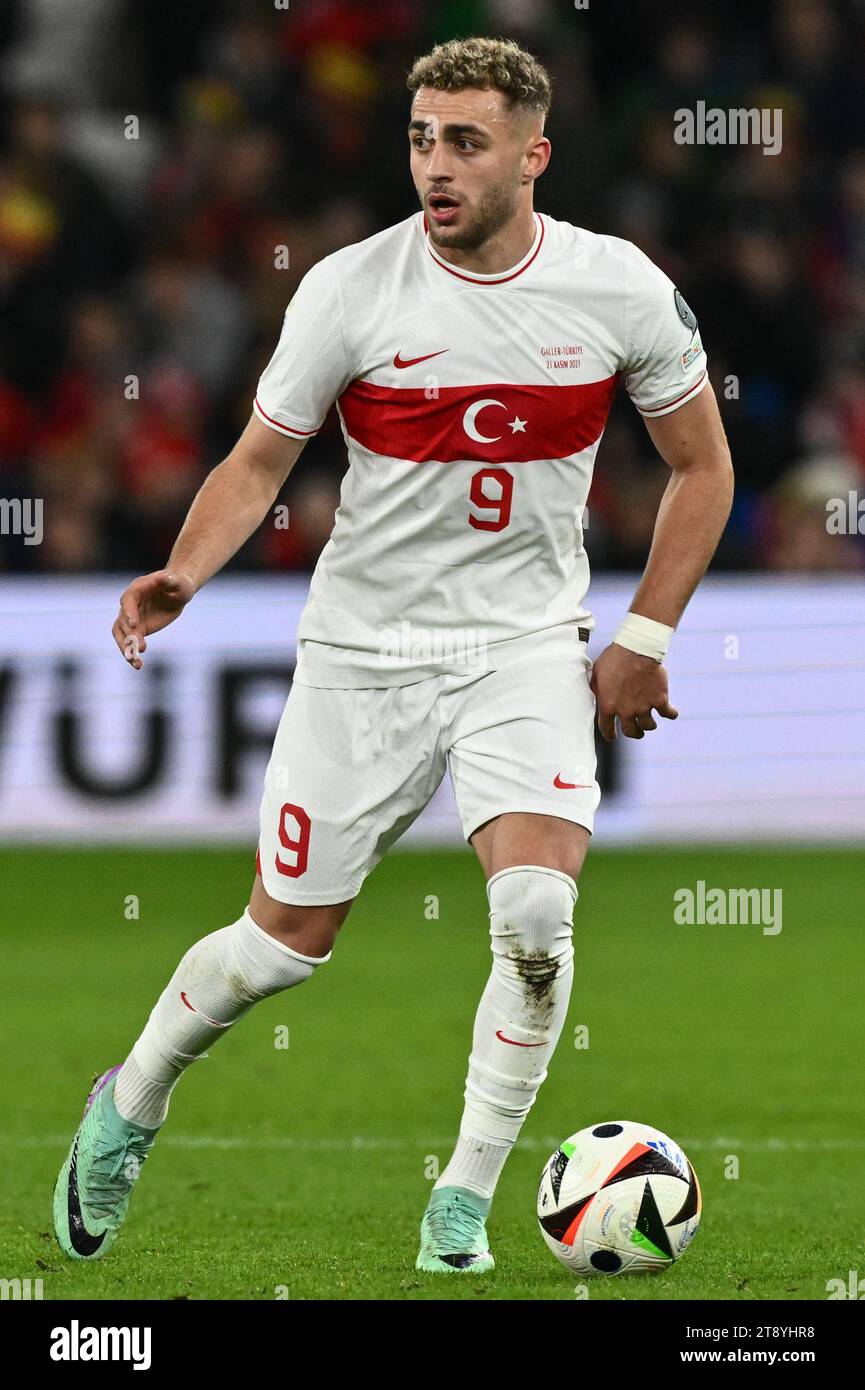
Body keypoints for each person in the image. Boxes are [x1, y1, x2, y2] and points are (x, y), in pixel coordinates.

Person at [53, 36, 733, 1273]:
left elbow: (702, 464)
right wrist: (185, 571)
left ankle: (461, 1202)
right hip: (362, 651)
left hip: (523, 641)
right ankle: (132, 1097)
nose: (435, 163)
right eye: (421, 137)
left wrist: (643, 633)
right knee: (278, 951)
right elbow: (259, 460)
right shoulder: (349, 290)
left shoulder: (618, 287)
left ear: (533, 154)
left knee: (535, 916)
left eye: (464, 141)